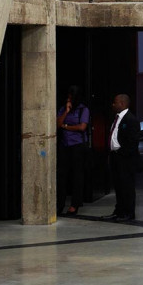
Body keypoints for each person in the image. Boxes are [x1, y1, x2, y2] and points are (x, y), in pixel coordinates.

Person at [57, 87, 90, 217]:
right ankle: (60, 204)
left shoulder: (83, 109)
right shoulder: (63, 109)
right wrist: (66, 111)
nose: (68, 99)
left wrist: (66, 127)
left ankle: (75, 204)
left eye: (71, 97)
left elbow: (82, 127)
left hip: (78, 146)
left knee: (77, 175)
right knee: (62, 175)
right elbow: (57, 124)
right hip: (65, 145)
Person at [107, 92, 138, 222]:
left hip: (125, 158)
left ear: (122, 104)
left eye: (115, 102)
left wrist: (122, 153)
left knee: (127, 186)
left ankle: (129, 212)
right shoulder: (116, 118)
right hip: (115, 156)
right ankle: (119, 210)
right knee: (118, 185)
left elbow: (133, 142)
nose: (113, 104)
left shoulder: (131, 119)